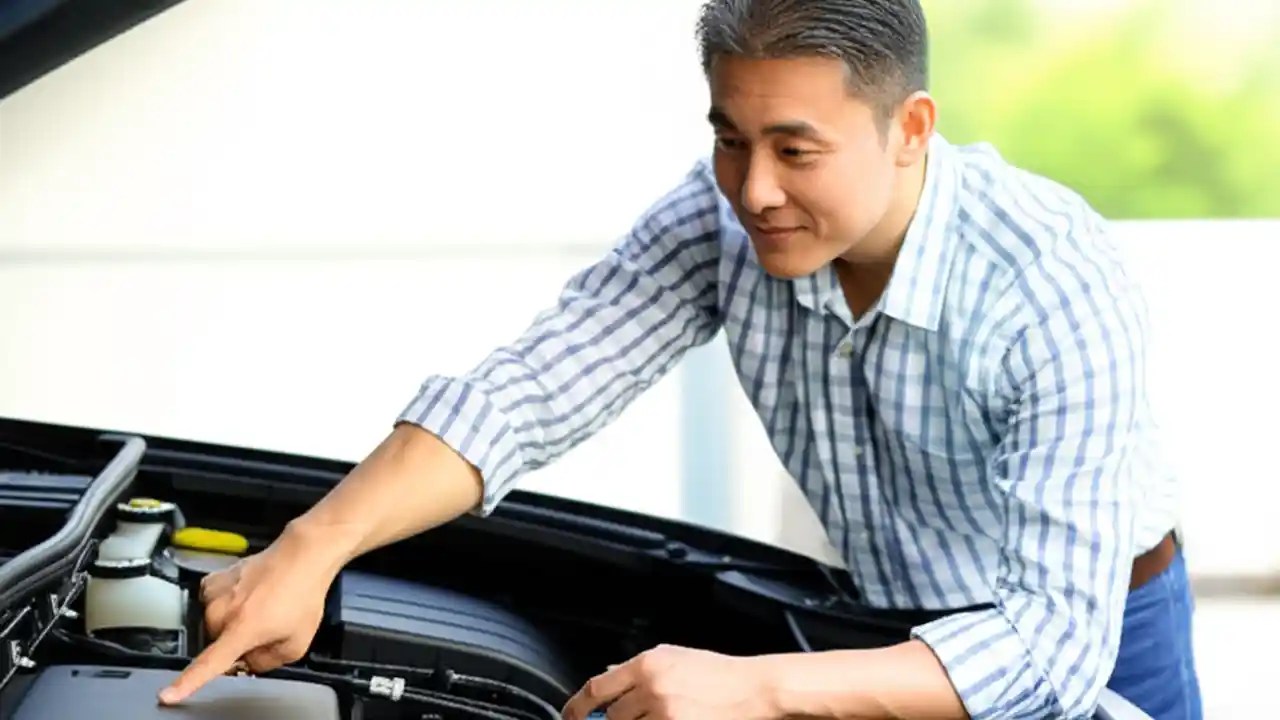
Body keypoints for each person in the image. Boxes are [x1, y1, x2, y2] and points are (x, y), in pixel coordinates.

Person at [158, 0, 1203, 718]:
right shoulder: (722, 220)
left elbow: (1049, 651)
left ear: (908, 130)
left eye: (794, 148)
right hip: (882, 615)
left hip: (1092, 620)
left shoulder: (1050, 283)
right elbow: (529, 391)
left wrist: (750, 686)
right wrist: (309, 550)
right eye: (728, 137)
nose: (750, 189)